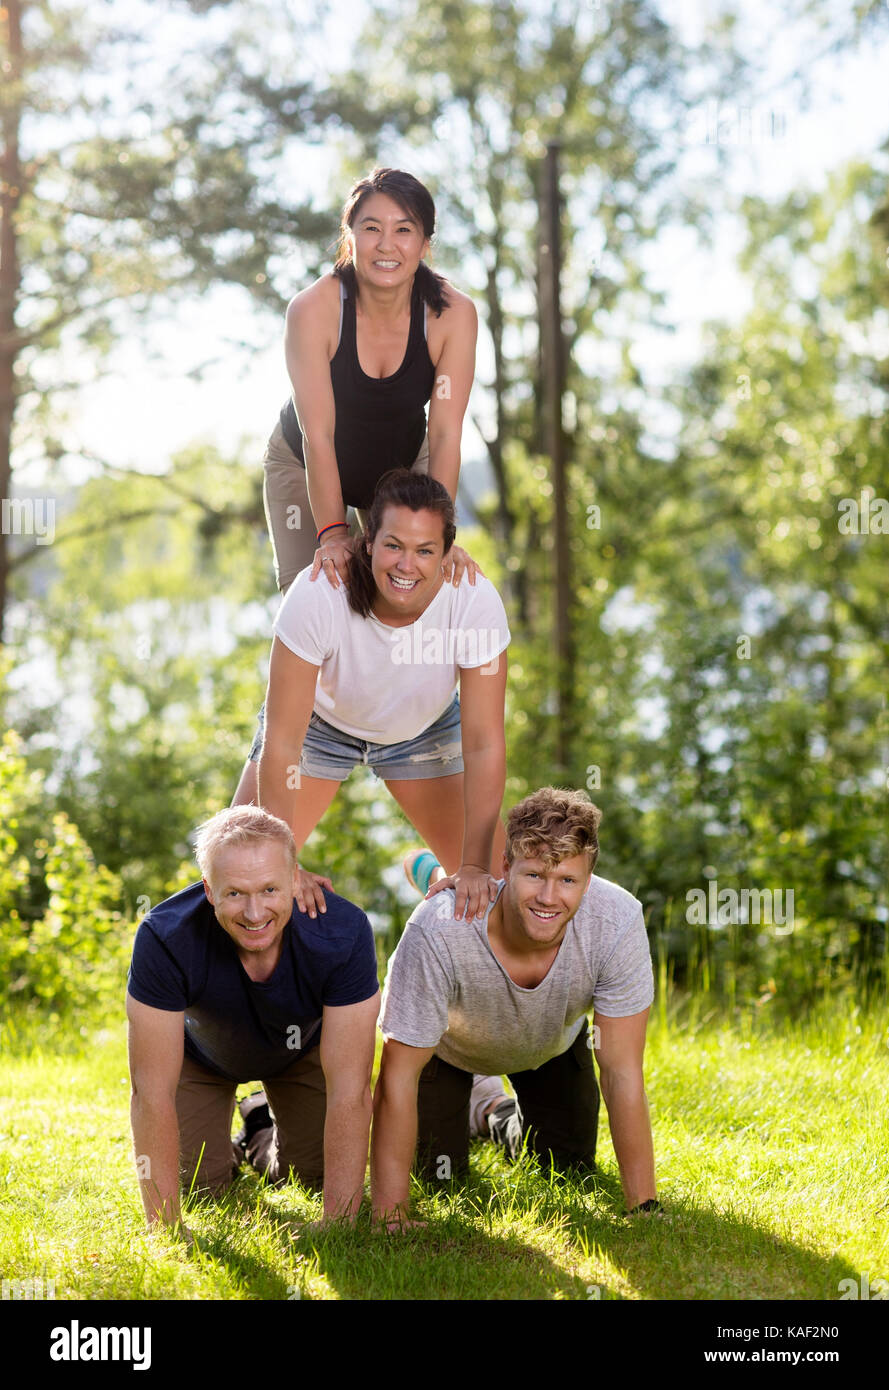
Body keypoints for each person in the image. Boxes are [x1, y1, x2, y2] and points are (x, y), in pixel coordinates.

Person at [371, 787, 660, 1228]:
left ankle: (493, 1111)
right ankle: (430, 870)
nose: (549, 897)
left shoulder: (616, 920)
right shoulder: (439, 927)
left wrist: (644, 1207)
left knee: (567, 1171)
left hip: (549, 1046)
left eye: (567, 880)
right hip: (447, 1049)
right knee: (439, 1177)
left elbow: (622, 1071)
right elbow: (398, 1075)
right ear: (504, 866)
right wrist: (389, 1217)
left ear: (589, 878)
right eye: (534, 876)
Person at [236, 470, 510, 925]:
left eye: (425, 550)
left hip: (423, 731)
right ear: (367, 543)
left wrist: (475, 868)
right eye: (393, 545)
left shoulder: (474, 601)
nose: (407, 565)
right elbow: (282, 740)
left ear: (449, 556)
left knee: (500, 899)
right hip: (317, 730)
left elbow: (483, 743)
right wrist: (280, 866)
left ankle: (434, 875)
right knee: (242, 883)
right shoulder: (318, 594)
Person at [126, 805, 380, 1235]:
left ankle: (258, 1128)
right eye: (235, 894)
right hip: (203, 1058)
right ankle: (230, 1135)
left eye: (269, 890)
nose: (254, 912)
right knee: (199, 1187)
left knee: (312, 1179)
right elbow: (150, 1092)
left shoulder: (343, 931)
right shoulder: (163, 936)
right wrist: (164, 1226)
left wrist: (338, 1222)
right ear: (208, 890)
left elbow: (351, 1090)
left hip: (301, 1053)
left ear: (295, 878)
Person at [263, 165, 479, 594]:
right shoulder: (312, 311)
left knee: (410, 590)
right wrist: (332, 535)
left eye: (404, 230)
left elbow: (444, 433)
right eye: (371, 228)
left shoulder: (453, 315)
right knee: (316, 595)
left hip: (401, 463)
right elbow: (318, 436)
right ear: (350, 237)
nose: (386, 245)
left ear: (424, 244)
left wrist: (441, 537)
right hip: (305, 458)